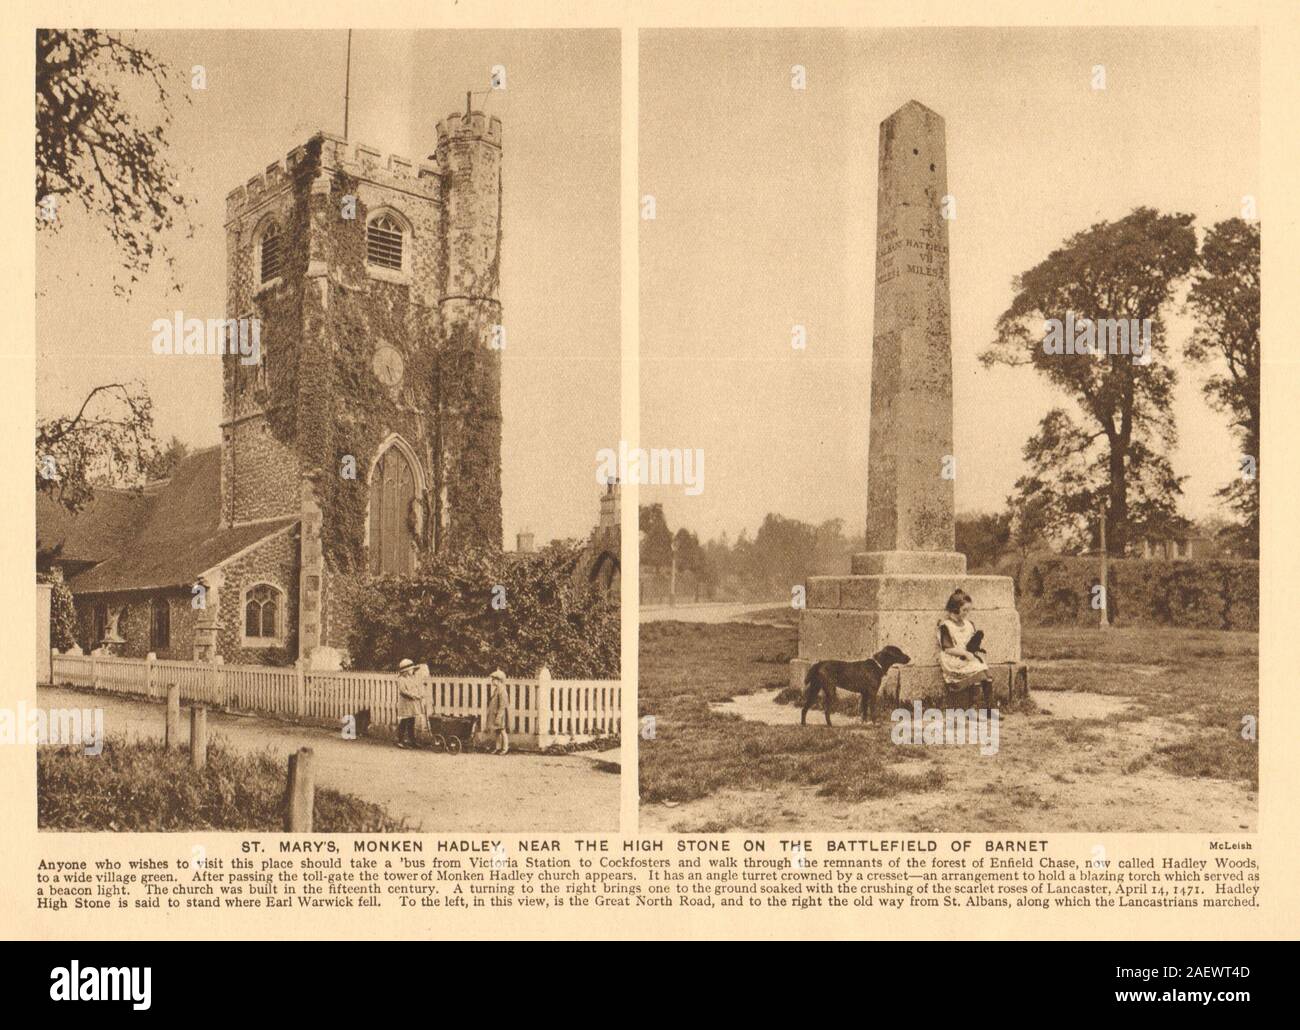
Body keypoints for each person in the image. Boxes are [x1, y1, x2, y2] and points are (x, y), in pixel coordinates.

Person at [938, 589, 994, 713]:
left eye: (968, 610)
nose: (966, 613)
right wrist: (964, 653)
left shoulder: (968, 624)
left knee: (987, 676)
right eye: (964, 610)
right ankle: (973, 710)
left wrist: (976, 650)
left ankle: (990, 709)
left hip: (968, 656)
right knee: (978, 674)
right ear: (955, 609)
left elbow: (971, 643)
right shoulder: (946, 626)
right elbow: (947, 648)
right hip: (954, 659)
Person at [396, 658, 425, 749]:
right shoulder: (401, 679)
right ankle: (400, 740)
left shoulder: (412, 678)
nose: (412, 671)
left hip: (411, 704)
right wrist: (414, 695)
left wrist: (419, 694)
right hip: (405, 704)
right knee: (404, 721)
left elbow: (415, 688)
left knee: (411, 722)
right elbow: (403, 691)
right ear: (406, 671)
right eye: (411, 669)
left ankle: (412, 741)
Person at [485, 669, 509, 755]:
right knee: (497, 731)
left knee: (502, 731)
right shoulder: (497, 690)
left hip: (500, 714)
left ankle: (505, 748)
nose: (492, 681)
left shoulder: (502, 690)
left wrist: (499, 716)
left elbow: (503, 705)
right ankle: (498, 748)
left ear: (499, 680)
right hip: (496, 714)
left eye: (494, 679)